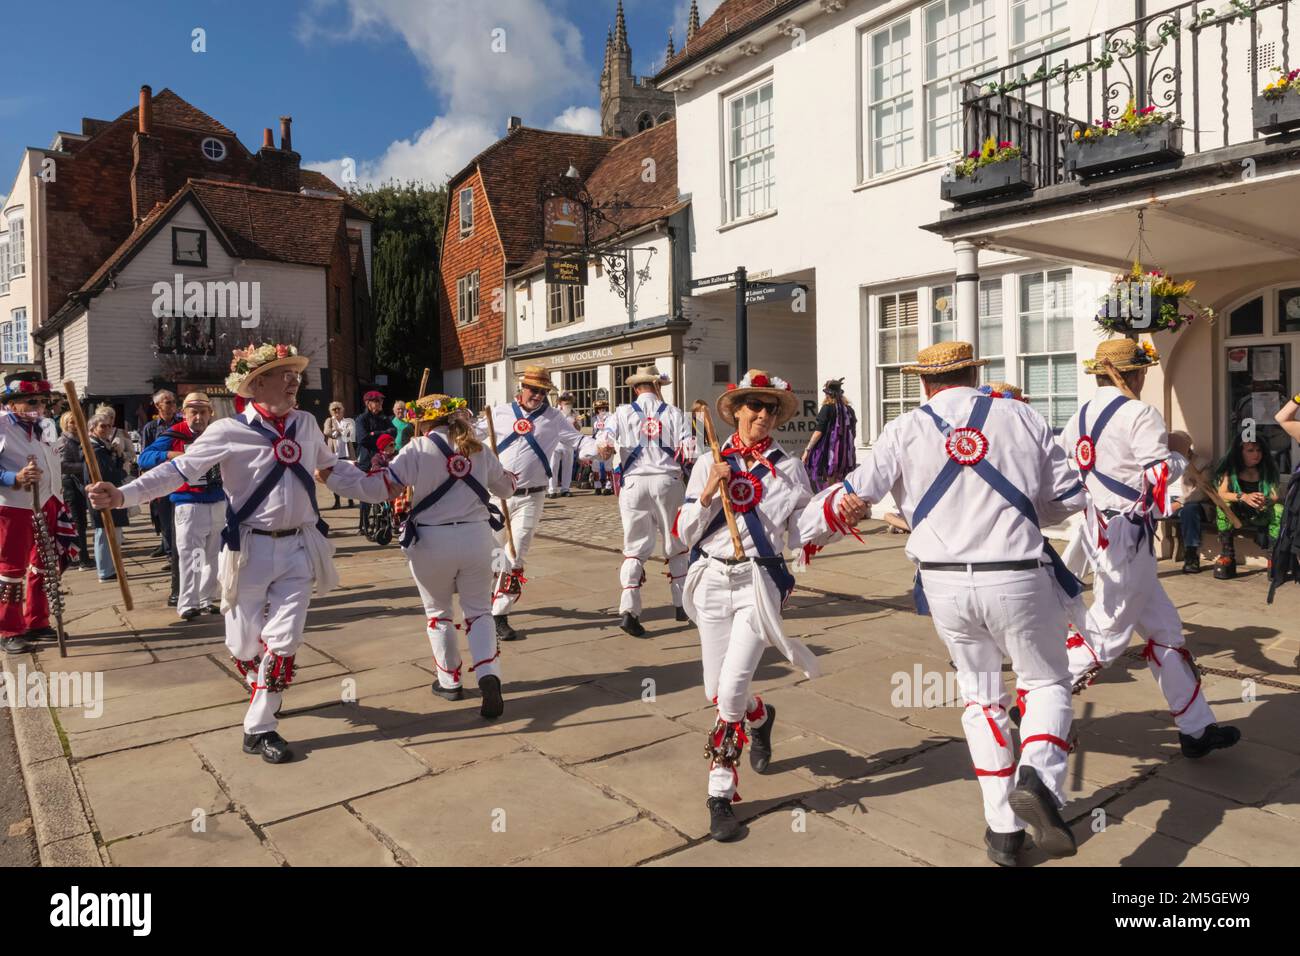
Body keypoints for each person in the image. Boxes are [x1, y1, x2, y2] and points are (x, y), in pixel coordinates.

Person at [800, 343, 1088, 866]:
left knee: (980, 697)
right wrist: (1020, 513)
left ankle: (1003, 829)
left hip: (943, 584)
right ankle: (1039, 777)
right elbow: (1070, 496)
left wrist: (815, 520)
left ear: (924, 383)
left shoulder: (903, 427)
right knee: (1045, 681)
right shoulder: (1022, 415)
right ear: (973, 374)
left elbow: (859, 493)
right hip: (1017, 575)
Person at [88, 342, 365, 765]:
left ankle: (259, 727)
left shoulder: (308, 423)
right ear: (255, 384)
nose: (295, 381)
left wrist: (382, 485)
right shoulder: (227, 430)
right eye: (283, 374)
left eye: (295, 373)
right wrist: (122, 495)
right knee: (242, 645)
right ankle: (262, 685)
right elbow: (176, 471)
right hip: (248, 548)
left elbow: (332, 468)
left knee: (285, 640)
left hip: (298, 547)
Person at [1061, 339, 1240, 760]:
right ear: (1133, 374)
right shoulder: (1138, 413)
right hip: (1126, 536)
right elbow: (1158, 486)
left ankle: (1196, 729)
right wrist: (1178, 451)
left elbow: (1069, 466)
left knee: (1165, 632)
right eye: (1143, 371)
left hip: (1105, 531)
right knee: (1106, 634)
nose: (1145, 378)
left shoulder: (1082, 413)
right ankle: (1036, 702)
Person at [674, 369, 822, 843]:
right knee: (716, 691)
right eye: (753, 406)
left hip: (759, 581)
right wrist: (705, 494)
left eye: (771, 408)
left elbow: (803, 532)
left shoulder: (790, 469)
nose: (762, 414)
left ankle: (720, 791)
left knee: (733, 685)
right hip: (713, 579)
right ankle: (760, 717)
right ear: (736, 410)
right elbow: (684, 534)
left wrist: (839, 513)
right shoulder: (708, 460)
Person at [329, 395, 517, 717]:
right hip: (475, 538)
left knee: (439, 612)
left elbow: (381, 489)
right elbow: (506, 490)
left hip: (432, 541)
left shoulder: (417, 449)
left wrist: (333, 477)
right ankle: (489, 675)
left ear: (424, 420)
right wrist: (508, 475)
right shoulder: (479, 449)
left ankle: (450, 681)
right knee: (480, 612)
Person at [481, 366, 596, 642]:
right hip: (497, 495)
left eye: (543, 392)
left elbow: (579, 441)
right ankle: (489, 598)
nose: (538, 396)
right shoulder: (498, 413)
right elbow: (468, 435)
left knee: (516, 553)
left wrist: (599, 448)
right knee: (494, 554)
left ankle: (499, 614)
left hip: (533, 496)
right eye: (534, 390)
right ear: (522, 388)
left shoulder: (554, 418)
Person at [597, 366, 694, 637]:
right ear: (657, 386)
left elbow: (604, 441)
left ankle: (629, 610)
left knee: (634, 548)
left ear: (635, 389)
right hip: (667, 482)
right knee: (676, 543)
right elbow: (690, 450)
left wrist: (607, 448)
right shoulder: (675, 413)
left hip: (634, 484)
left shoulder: (622, 413)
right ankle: (682, 606)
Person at [0, 373, 71, 652]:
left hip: (49, 500)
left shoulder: (46, 426)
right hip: (15, 505)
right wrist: (13, 478)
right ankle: (9, 629)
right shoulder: (2, 425)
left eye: (43, 401)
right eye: (32, 401)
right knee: (11, 569)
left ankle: (37, 621)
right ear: (13, 403)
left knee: (45, 565)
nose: (39, 407)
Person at [138, 392, 224, 620]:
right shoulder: (176, 433)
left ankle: (207, 599)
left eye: (203, 412)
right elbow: (144, 457)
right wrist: (172, 455)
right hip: (189, 502)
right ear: (184, 414)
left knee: (213, 556)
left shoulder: (217, 433)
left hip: (218, 501)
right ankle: (188, 603)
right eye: (193, 412)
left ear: (210, 413)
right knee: (191, 556)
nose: (198, 417)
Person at [1209, 438, 1282, 579]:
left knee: (1278, 509)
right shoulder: (1231, 470)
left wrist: (1264, 500)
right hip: (1238, 514)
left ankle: (1274, 557)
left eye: (1259, 450)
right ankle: (1227, 555)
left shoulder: (1267, 469)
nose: (1256, 454)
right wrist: (1244, 497)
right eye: (1250, 450)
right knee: (1223, 506)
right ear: (1240, 453)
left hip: (1260, 513)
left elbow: (1275, 496)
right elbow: (1222, 493)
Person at [85, 413, 130, 583]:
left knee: (113, 533)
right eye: (102, 426)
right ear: (93, 429)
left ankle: (111, 568)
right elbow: (106, 473)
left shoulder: (104, 446)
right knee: (104, 533)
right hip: (102, 494)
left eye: (109, 426)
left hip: (111, 493)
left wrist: (118, 455)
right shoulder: (94, 448)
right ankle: (105, 571)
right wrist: (122, 470)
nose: (107, 429)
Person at [802, 378, 858, 491]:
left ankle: (829, 503)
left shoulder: (827, 408)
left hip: (828, 453)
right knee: (841, 483)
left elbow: (819, 431)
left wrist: (807, 450)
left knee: (829, 481)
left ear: (827, 395)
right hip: (846, 455)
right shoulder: (850, 410)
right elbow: (853, 433)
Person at [55, 411, 95, 569]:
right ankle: (81, 558)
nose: (76, 425)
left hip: (80, 483)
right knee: (77, 522)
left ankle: (80, 556)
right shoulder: (63, 441)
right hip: (70, 484)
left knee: (82, 523)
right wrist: (86, 467)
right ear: (65, 424)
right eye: (72, 422)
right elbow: (62, 466)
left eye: (78, 421)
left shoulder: (81, 439)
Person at [355, 390, 396, 534]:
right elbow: (362, 439)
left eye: (381, 401)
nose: (380, 403)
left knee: (385, 490)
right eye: (376, 401)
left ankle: (386, 521)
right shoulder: (361, 419)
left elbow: (393, 432)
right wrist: (382, 436)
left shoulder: (384, 417)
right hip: (367, 460)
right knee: (365, 494)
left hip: (383, 460)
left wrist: (375, 434)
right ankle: (363, 525)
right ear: (368, 403)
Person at [323, 401, 357, 509]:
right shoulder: (329, 420)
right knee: (335, 479)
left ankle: (350, 500)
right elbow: (326, 431)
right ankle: (337, 501)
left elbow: (350, 433)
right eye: (334, 409)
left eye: (339, 409)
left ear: (342, 410)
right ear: (331, 411)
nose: (337, 411)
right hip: (334, 453)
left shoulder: (347, 421)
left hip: (346, 453)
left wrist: (338, 432)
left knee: (348, 477)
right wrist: (338, 431)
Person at [547, 392, 580, 498]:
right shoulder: (555, 413)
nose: (568, 405)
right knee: (553, 466)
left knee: (568, 467)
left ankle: (565, 489)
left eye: (569, 403)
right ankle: (552, 490)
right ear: (560, 403)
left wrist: (576, 424)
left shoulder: (575, 414)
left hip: (569, 444)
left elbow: (578, 429)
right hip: (556, 443)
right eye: (565, 403)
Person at [590, 399, 614, 494]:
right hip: (597, 443)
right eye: (599, 408)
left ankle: (608, 486)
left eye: (603, 408)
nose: (601, 410)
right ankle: (597, 486)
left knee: (608, 465)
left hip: (608, 442)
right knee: (595, 465)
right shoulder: (594, 419)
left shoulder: (611, 417)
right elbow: (594, 432)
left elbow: (612, 430)